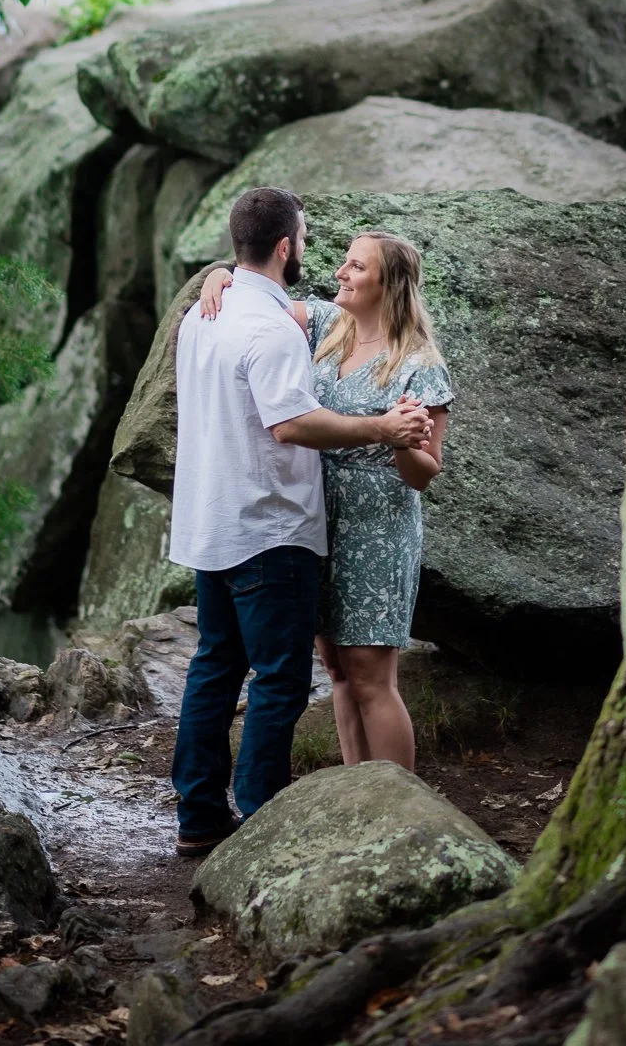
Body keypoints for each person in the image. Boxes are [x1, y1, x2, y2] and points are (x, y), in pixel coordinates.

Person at [169, 186, 432, 857]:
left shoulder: (204, 316)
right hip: (268, 530)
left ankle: (199, 815)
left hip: (211, 524)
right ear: (286, 246)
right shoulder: (274, 328)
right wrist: (379, 426)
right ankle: (258, 818)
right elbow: (289, 423)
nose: (327, 263)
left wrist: (216, 272)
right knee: (280, 680)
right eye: (312, 242)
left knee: (214, 668)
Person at [199, 229, 451, 773]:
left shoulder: (418, 363)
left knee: (370, 675)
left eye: (357, 267)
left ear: (391, 284)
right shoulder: (324, 325)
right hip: (315, 519)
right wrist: (219, 274)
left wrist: (401, 441)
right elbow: (255, 293)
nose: (341, 272)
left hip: (376, 525)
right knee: (336, 668)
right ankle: (353, 794)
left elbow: (424, 473)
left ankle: (395, 806)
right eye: (344, 262)